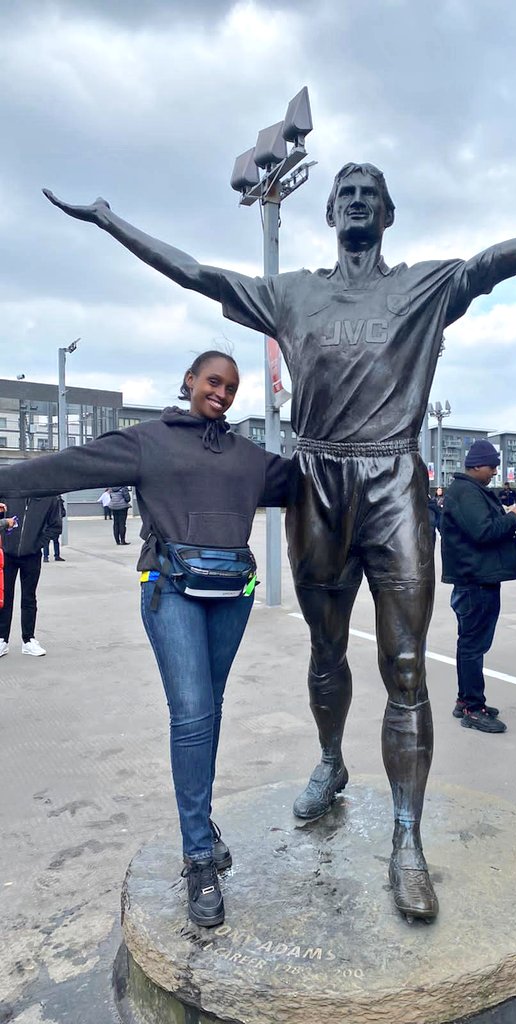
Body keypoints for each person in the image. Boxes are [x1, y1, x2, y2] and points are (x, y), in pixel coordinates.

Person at [43, 155, 516, 922]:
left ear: (387, 214)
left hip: (392, 482)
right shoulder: (293, 294)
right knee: (325, 650)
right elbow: (197, 275)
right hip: (317, 483)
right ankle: (330, 761)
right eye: (343, 192)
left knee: (406, 664)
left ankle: (407, 841)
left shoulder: (424, 286)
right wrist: (113, 221)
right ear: (329, 214)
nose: (354, 200)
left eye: (368, 194)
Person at [0, 351, 294, 926]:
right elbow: (65, 467)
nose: (223, 393)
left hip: (231, 594)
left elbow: (313, 484)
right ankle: (199, 857)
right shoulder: (148, 441)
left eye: (232, 387)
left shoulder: (250, 457)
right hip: (171, 591)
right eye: (214, 381)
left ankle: (199, 818)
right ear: (189, 381)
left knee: (209, 712)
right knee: (190, 714)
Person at [440, 439, 516, 734]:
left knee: (471, 644)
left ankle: (466, 699)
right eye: (491, 466)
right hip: (474, 582)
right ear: (477, 465)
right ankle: (472, 708)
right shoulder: (466, 492)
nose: (494, 472)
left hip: (476, 579)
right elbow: (484, 532)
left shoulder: (469, 490)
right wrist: (513, 518)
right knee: (472, 646)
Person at [0, 495, 62, 658]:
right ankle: (1, 639)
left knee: (29, 598)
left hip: (32, 555)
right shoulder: (9, 494)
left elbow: (56, 526)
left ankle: (28, 640)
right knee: (5, 598)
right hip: (8, 554)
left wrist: (38, 543)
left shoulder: (49, 498)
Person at [42, 496, 66, 562]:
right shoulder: (59, 500)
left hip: (48, 523)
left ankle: (46, 557)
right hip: (55, 523)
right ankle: (56, 556)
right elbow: (63, 512)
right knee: (55, 541)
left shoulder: (46, 500)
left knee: (46, 541)